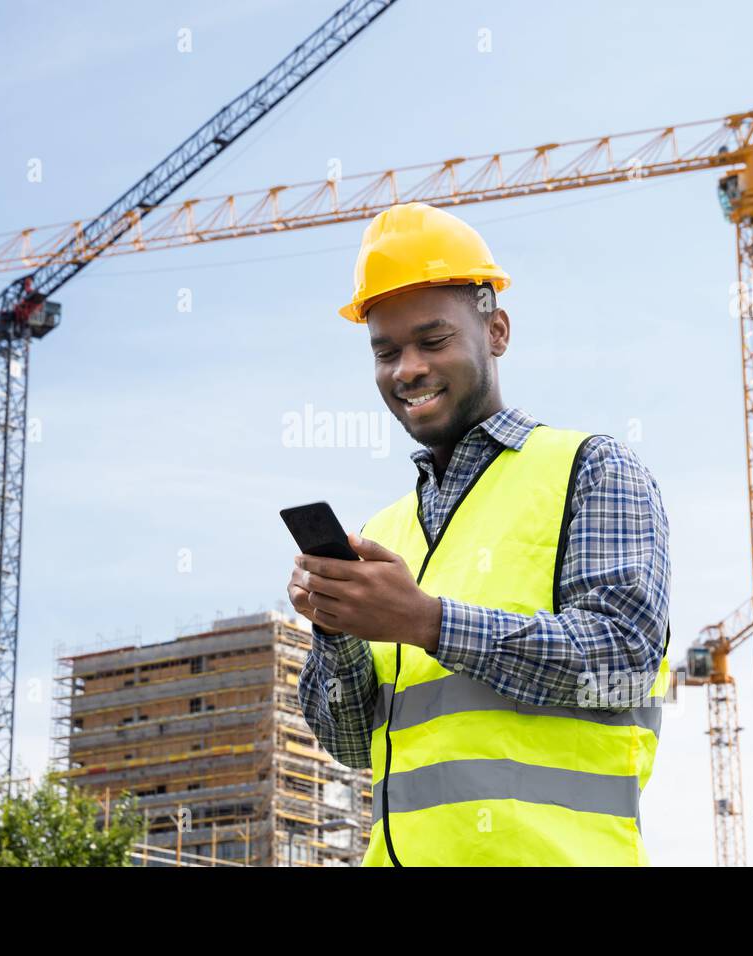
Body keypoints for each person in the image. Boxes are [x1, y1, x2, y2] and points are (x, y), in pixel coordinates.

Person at [289, 202, 672, 866]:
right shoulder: (382, 533)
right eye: (386, 351)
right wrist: (338, 627)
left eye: (432, 341)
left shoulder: (591, 469)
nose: (406, 369)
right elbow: (352, 745)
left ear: (496, 331)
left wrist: (426, 621)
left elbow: (624, 664)